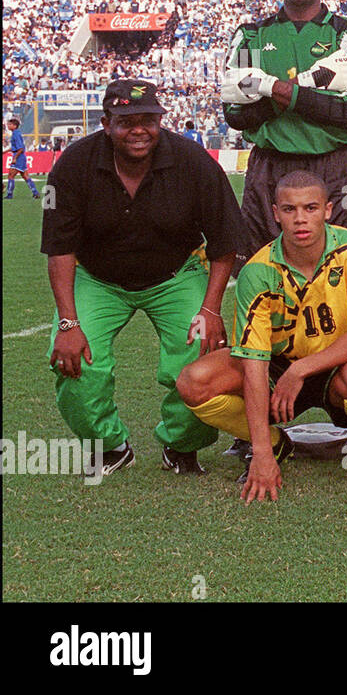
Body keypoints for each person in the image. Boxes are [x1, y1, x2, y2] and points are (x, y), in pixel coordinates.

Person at [41, 79, 246, 476]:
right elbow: (59, 249)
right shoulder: (74, 164)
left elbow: (225, 244)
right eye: (126, 121)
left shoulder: (193, 161)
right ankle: (109, 446)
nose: (138, 130)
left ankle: (181, 445)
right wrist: (68, 322)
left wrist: (210, 308)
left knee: (202, 351)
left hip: (176, 273)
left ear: (160, 121)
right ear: (105, 123)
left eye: (148, 120)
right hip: (96, 276)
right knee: (73, 361)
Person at [175, 171, 347, 501]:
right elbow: (254, 364)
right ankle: (275, 442)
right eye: (289, 210)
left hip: (336, 364)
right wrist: (262, 453)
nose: (300, 219)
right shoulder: (258, 272)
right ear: (275, 214)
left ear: (328, 210)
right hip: (276, 366)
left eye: (311, 208)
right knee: (194, 381)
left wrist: (301, 370)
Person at [221, 0, 347, 265]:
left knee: (344, 265)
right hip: (270, 166)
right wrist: (298, 93)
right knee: (263, 268)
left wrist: (274, 89)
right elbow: (237, 113)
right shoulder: (252, 37)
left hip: (332, 166)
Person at [5, 116, 41, 199]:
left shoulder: (16, 134)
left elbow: (21, 148)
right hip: (20, 157)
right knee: (25, 176)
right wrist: (5, 152)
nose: (8, 125)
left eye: (10, 124)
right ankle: (35, 192)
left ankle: (9, 195)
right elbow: (16, 147)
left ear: (14, 126)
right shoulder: (16, 133)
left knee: (11, 176)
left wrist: (15, 158)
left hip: (19, 157)